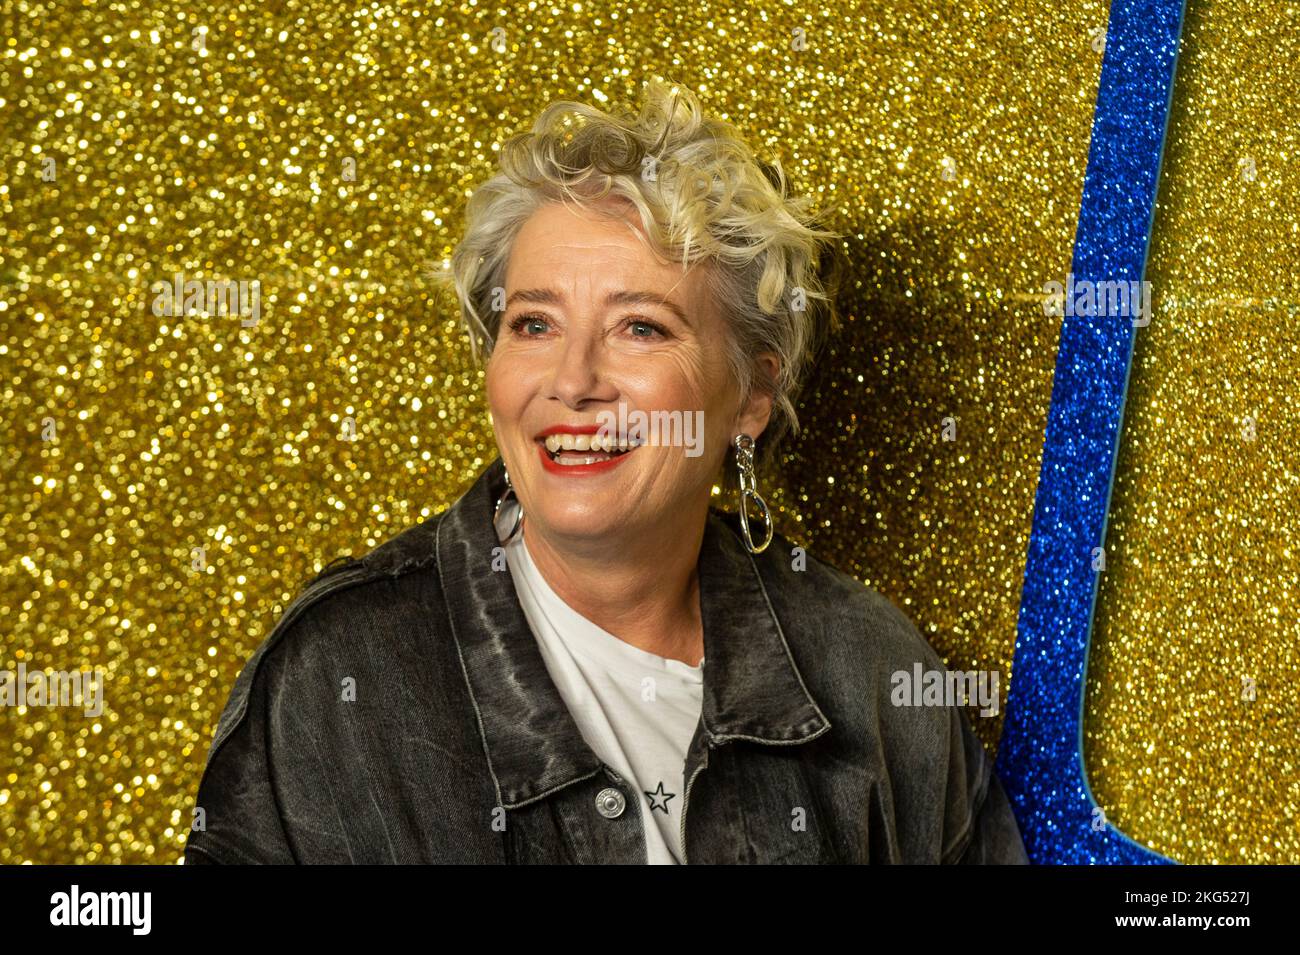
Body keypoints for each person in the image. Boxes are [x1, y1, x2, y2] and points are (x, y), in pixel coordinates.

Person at [184, 79, 1028, 864]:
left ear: (752, 395)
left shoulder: (867, 671)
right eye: (534, 324)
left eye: (641, 328)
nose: (574, 382)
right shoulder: (340, 678)